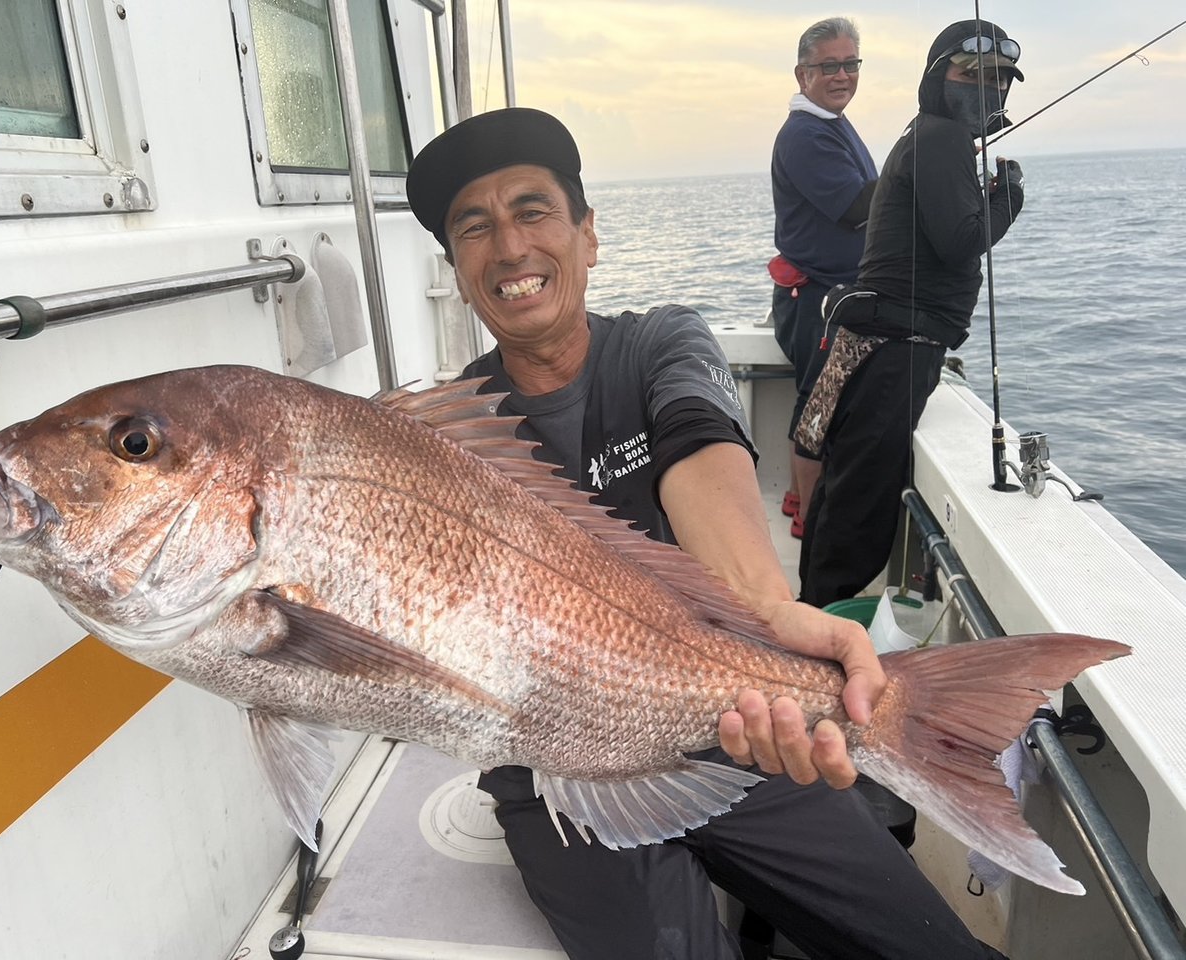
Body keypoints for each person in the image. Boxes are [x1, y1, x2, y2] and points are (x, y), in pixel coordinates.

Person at [405, 107, 1010, 960]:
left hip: (732, 725)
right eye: (475, 226)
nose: (509, 247)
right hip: (556, 771)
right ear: (457, 268)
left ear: (588, 233)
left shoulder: (661, 342)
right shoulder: (444, 437)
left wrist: (766, 614)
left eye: (534, 210)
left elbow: (702, 445)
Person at [798, 20, 1026, 608]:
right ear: (937, 77)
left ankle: (811, 613)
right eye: (971, 74)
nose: (987, 88)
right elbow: (959, 240)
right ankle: (818, 636)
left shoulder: (924, 135)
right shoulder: (943, 137)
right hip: (897, 347)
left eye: (999, 79)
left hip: (880, 341)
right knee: (858, 515)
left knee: (843, 495)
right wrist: (1007, 199)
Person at [770, 16, 877, 540]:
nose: (842, 75)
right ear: (802, 74)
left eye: (850, 64)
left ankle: (798, 498)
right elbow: (858, 207)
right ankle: (808, 518)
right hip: (815, 297)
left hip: (832, 293)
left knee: (818, 402)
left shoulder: (831, 123)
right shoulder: (807, 134)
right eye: (828, 66)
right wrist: (915, 169)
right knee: (817, 406)